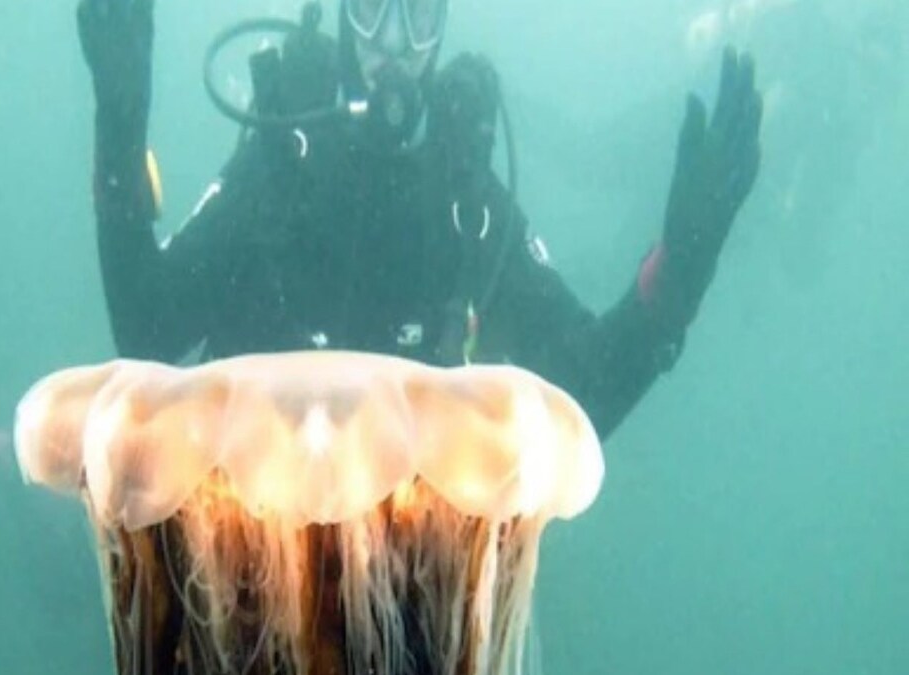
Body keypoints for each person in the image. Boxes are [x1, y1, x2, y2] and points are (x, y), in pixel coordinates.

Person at [76, 0, 763, 440]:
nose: (396, 43)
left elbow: (577, 397)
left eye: (420, 14)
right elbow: (149, 330)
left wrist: (678, 277)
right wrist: (119, 125)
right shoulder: (278, 163)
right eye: (374, 9)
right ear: (343, 13)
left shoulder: (468, 205)